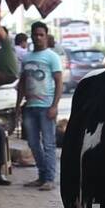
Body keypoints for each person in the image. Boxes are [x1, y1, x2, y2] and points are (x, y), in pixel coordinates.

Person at [16, 20, 62, 191]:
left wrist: (55, 105)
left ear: (46, 36)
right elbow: (22, 83)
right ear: (31, 36)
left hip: (46, 107)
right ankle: (42, 175)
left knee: (49, 144)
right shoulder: (26, 58)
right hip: (29, 107)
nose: (38, 38)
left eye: (41, 35)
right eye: (35, 35)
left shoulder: (52, 57)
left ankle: (49, 178)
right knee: (33, 143)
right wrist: (17, 105)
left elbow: (59, 82)